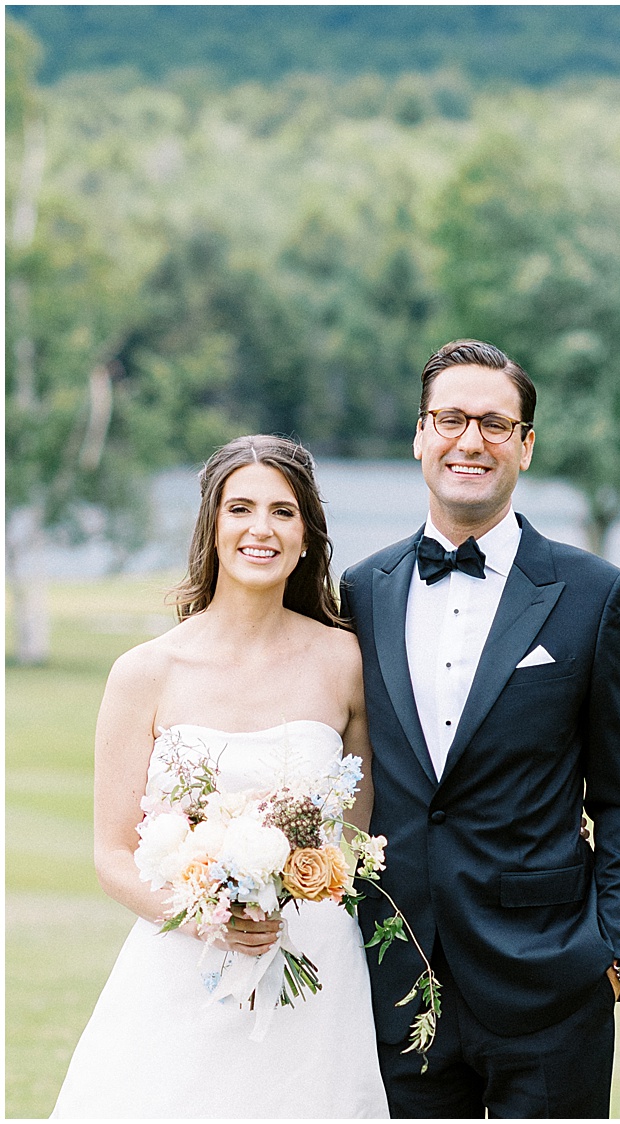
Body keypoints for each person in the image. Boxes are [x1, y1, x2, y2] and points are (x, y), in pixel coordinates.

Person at [340, 339, 620, 1118]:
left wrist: (615, 950)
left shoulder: (593, 594)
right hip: (395, 974)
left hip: (550, 981)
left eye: (494, 422)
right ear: (420, 435)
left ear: (524, 444)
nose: (470, 440)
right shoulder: (362, 589)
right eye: (450, 419)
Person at [51, 435, 388, 1118]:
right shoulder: (144, 673)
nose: (260, 528)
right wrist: (208, 921)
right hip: (181, 965)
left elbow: (354, 839)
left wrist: (292, 886)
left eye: (283, 512)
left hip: (314, 967)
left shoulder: (345, 662)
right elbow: (113, 853)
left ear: (306, 536)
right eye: (240, 508)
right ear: (211, 525)